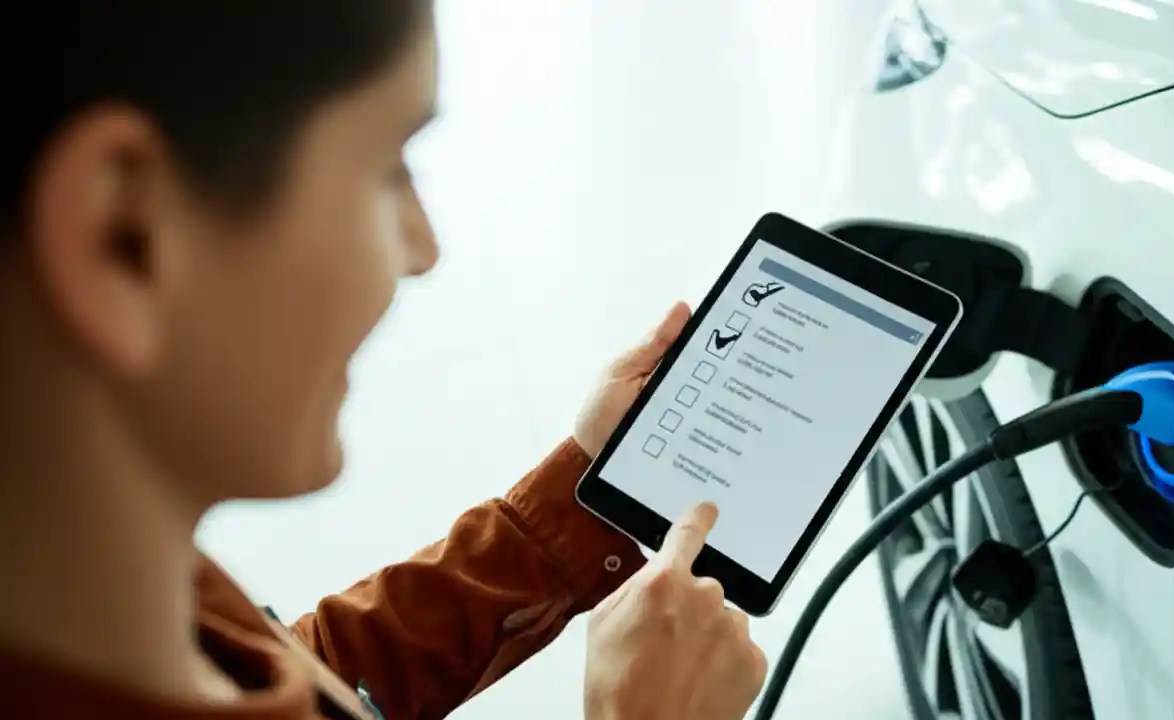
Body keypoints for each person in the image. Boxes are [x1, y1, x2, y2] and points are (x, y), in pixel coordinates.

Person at [0, 3, 767, 719]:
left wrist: (580, 489)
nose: (424, 248)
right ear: (122, 234)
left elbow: (316, 681)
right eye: (388, 167)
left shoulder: (122, 603)